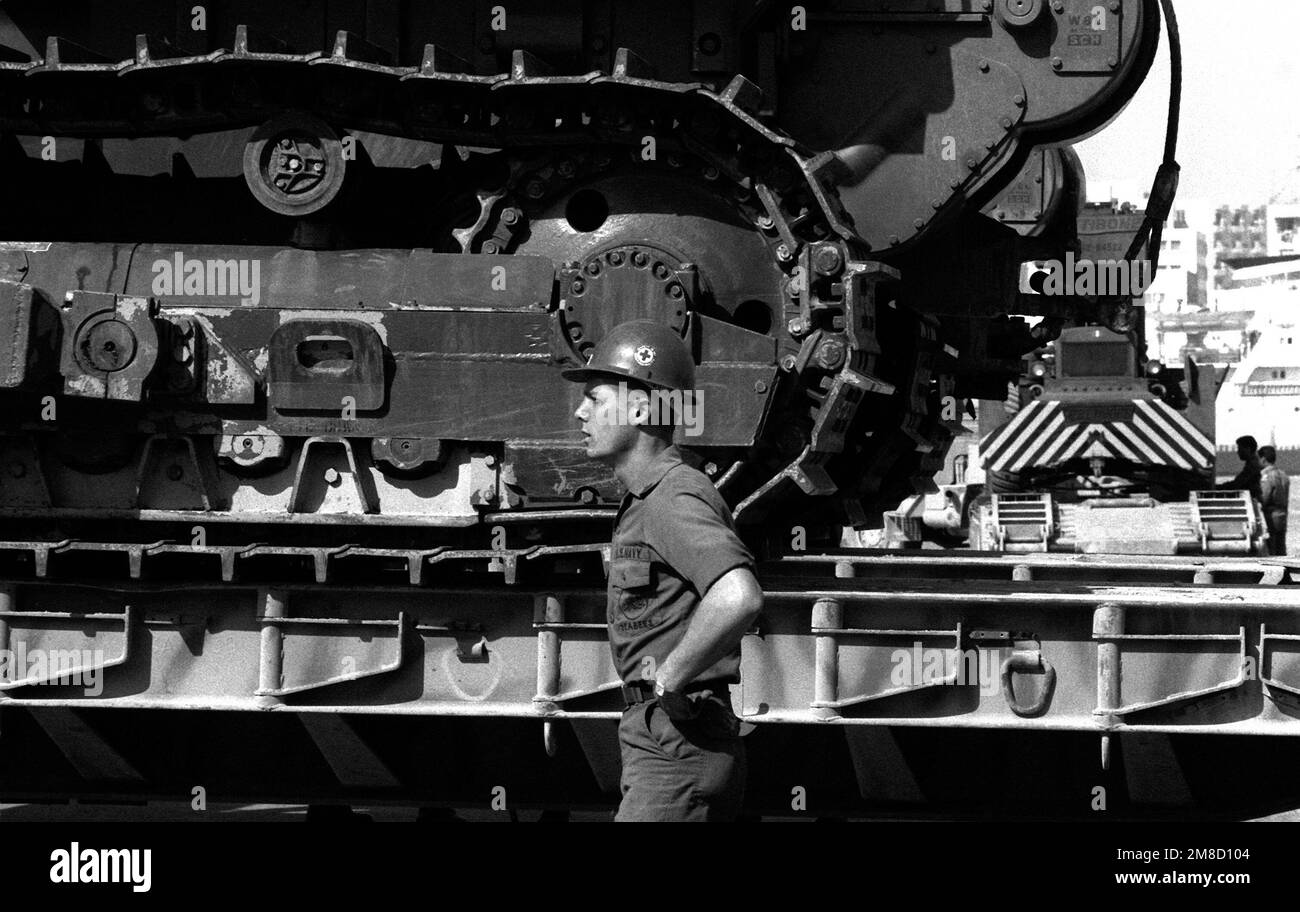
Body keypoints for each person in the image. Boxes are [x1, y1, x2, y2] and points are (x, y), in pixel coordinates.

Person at [563, 320, 764, 822]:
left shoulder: (672, 495)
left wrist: (669, 679)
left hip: (676, 744)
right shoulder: (651, 497)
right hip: (665, 738)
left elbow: (738, 596)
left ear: (640, 407)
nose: (580, 410)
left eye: (596, 397)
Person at [1259, 446, 1290, 556]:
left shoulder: (1266, 475)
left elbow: (1264, 498)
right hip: (1283, 514)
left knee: (1271, 549)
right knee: (1281, 547)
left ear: (1263, 459)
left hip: (1271, 516)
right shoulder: (1284, 474)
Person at [1221, 435, 1262, 502]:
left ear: (1248, 449)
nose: (1238, 452)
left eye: (1240, 449)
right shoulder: (1254, 463)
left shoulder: (1252, 466)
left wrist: (1217, 487)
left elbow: (1238, 484)